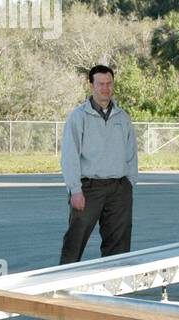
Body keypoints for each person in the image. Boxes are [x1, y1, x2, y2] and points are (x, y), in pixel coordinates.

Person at [59, 65, 138, 264]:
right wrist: (75, 189)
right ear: (91, 85)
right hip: (89, 188)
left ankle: (114, 286)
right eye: (100, 84)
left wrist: (129, 182)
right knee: (75, 239)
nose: (105, 88)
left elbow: (131, 153)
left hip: (119, 188)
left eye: (109, 83)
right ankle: (62, 283)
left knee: (118, 244)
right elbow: (70, 156)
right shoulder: (78, 117)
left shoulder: (123, 117)